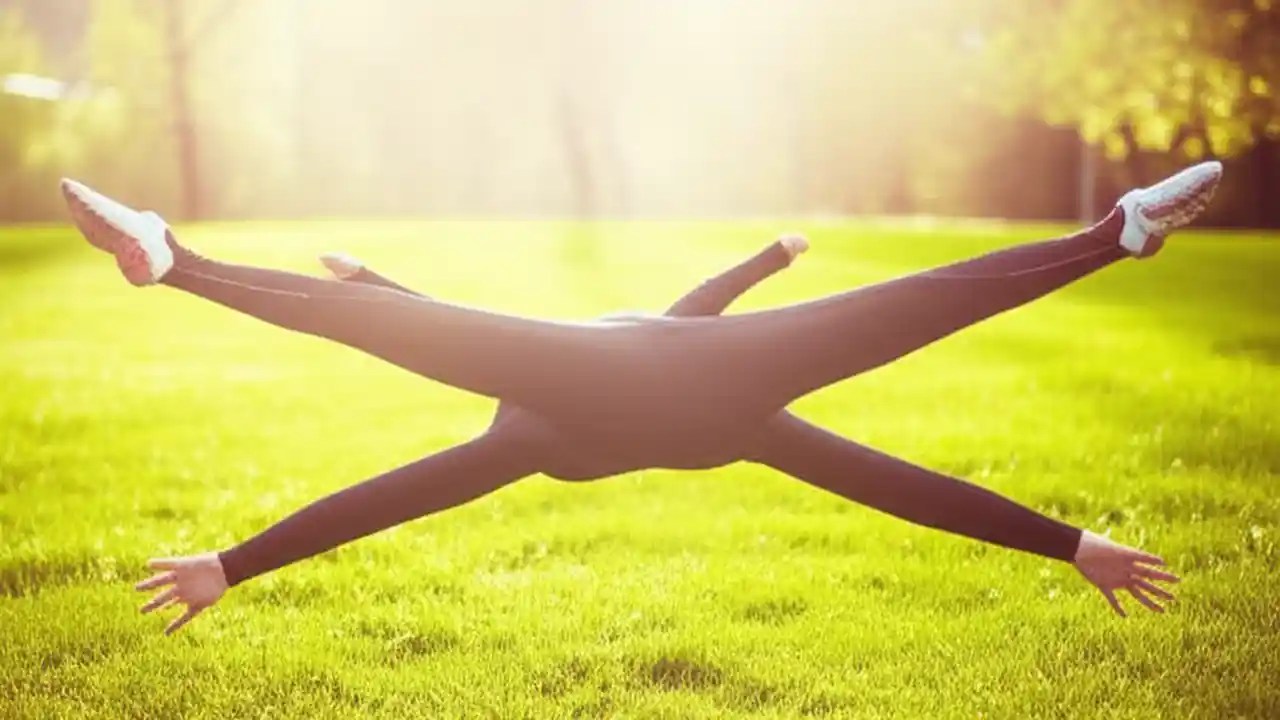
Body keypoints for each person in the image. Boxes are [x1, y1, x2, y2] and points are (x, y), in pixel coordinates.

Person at [59, 161, 1219, 635]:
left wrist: (236, 566)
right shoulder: (697, 385)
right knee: (906, 308)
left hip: (606, 392)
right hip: (712, 398)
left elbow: (399, 484)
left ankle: (174, 263)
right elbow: (887, 481)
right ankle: (1111, 236)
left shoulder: (521, 422)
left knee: (427, 336)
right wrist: (1067, 545)